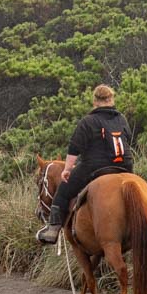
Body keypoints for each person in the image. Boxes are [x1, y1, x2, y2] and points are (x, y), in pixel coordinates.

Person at [36, 84, 134, 245]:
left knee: (63, 191)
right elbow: (129, 140)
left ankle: (53, 229)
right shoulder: (121, 119)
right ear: (111, 99)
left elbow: (74, 149)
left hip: (95, 168)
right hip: (125, 166)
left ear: (95, 101)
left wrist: (67, 170)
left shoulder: (88, 121)